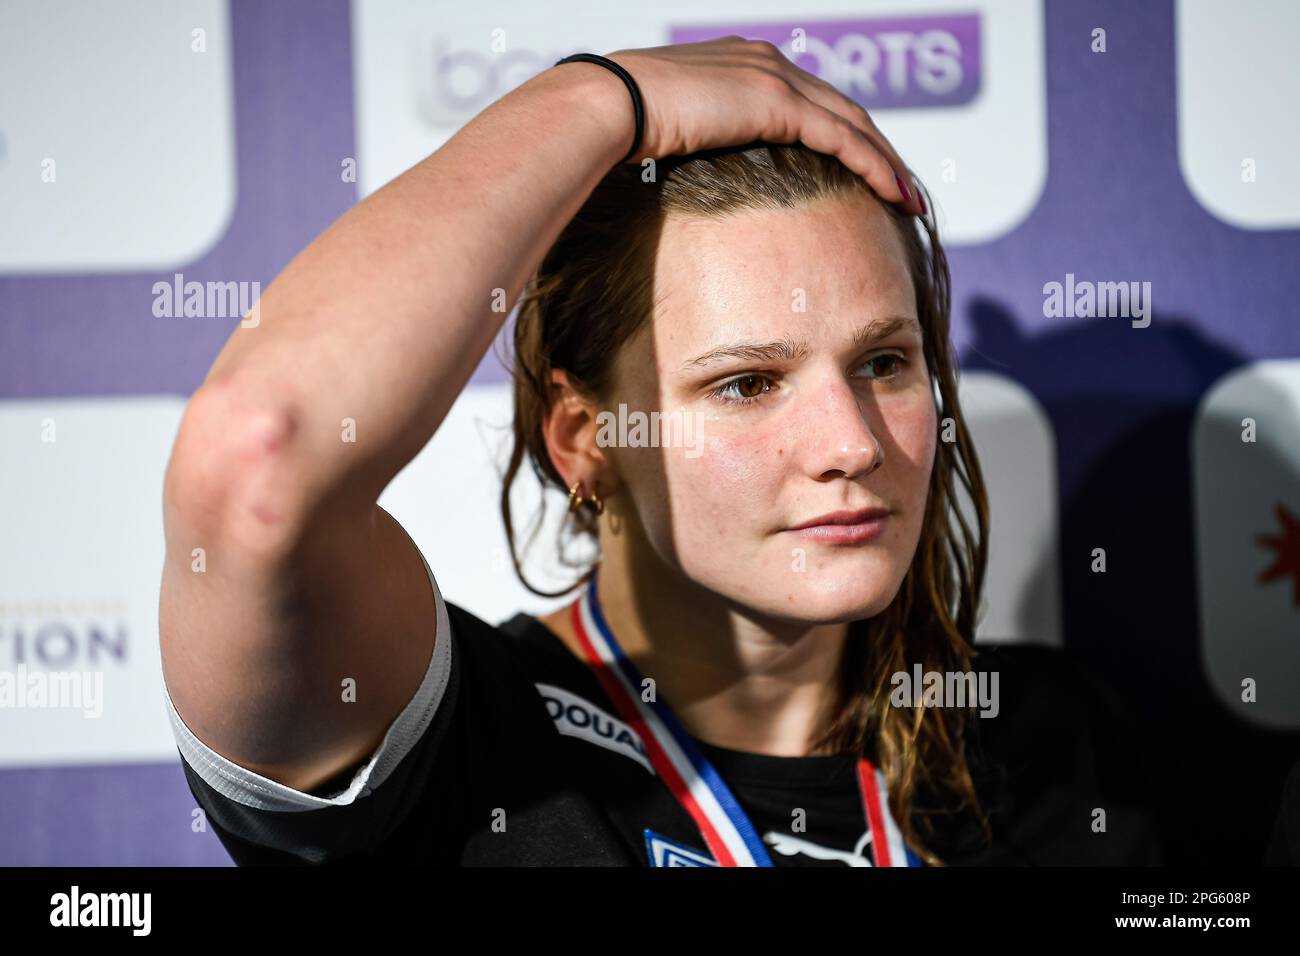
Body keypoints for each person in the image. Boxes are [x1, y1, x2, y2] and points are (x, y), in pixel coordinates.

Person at [158, 37, 1162, 866]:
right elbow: (258, 458)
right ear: (580, 436)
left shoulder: (1053, 741)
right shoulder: (466, 747)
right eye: (746, 383)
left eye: (883, 361)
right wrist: (601, 102)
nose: (850, 443)